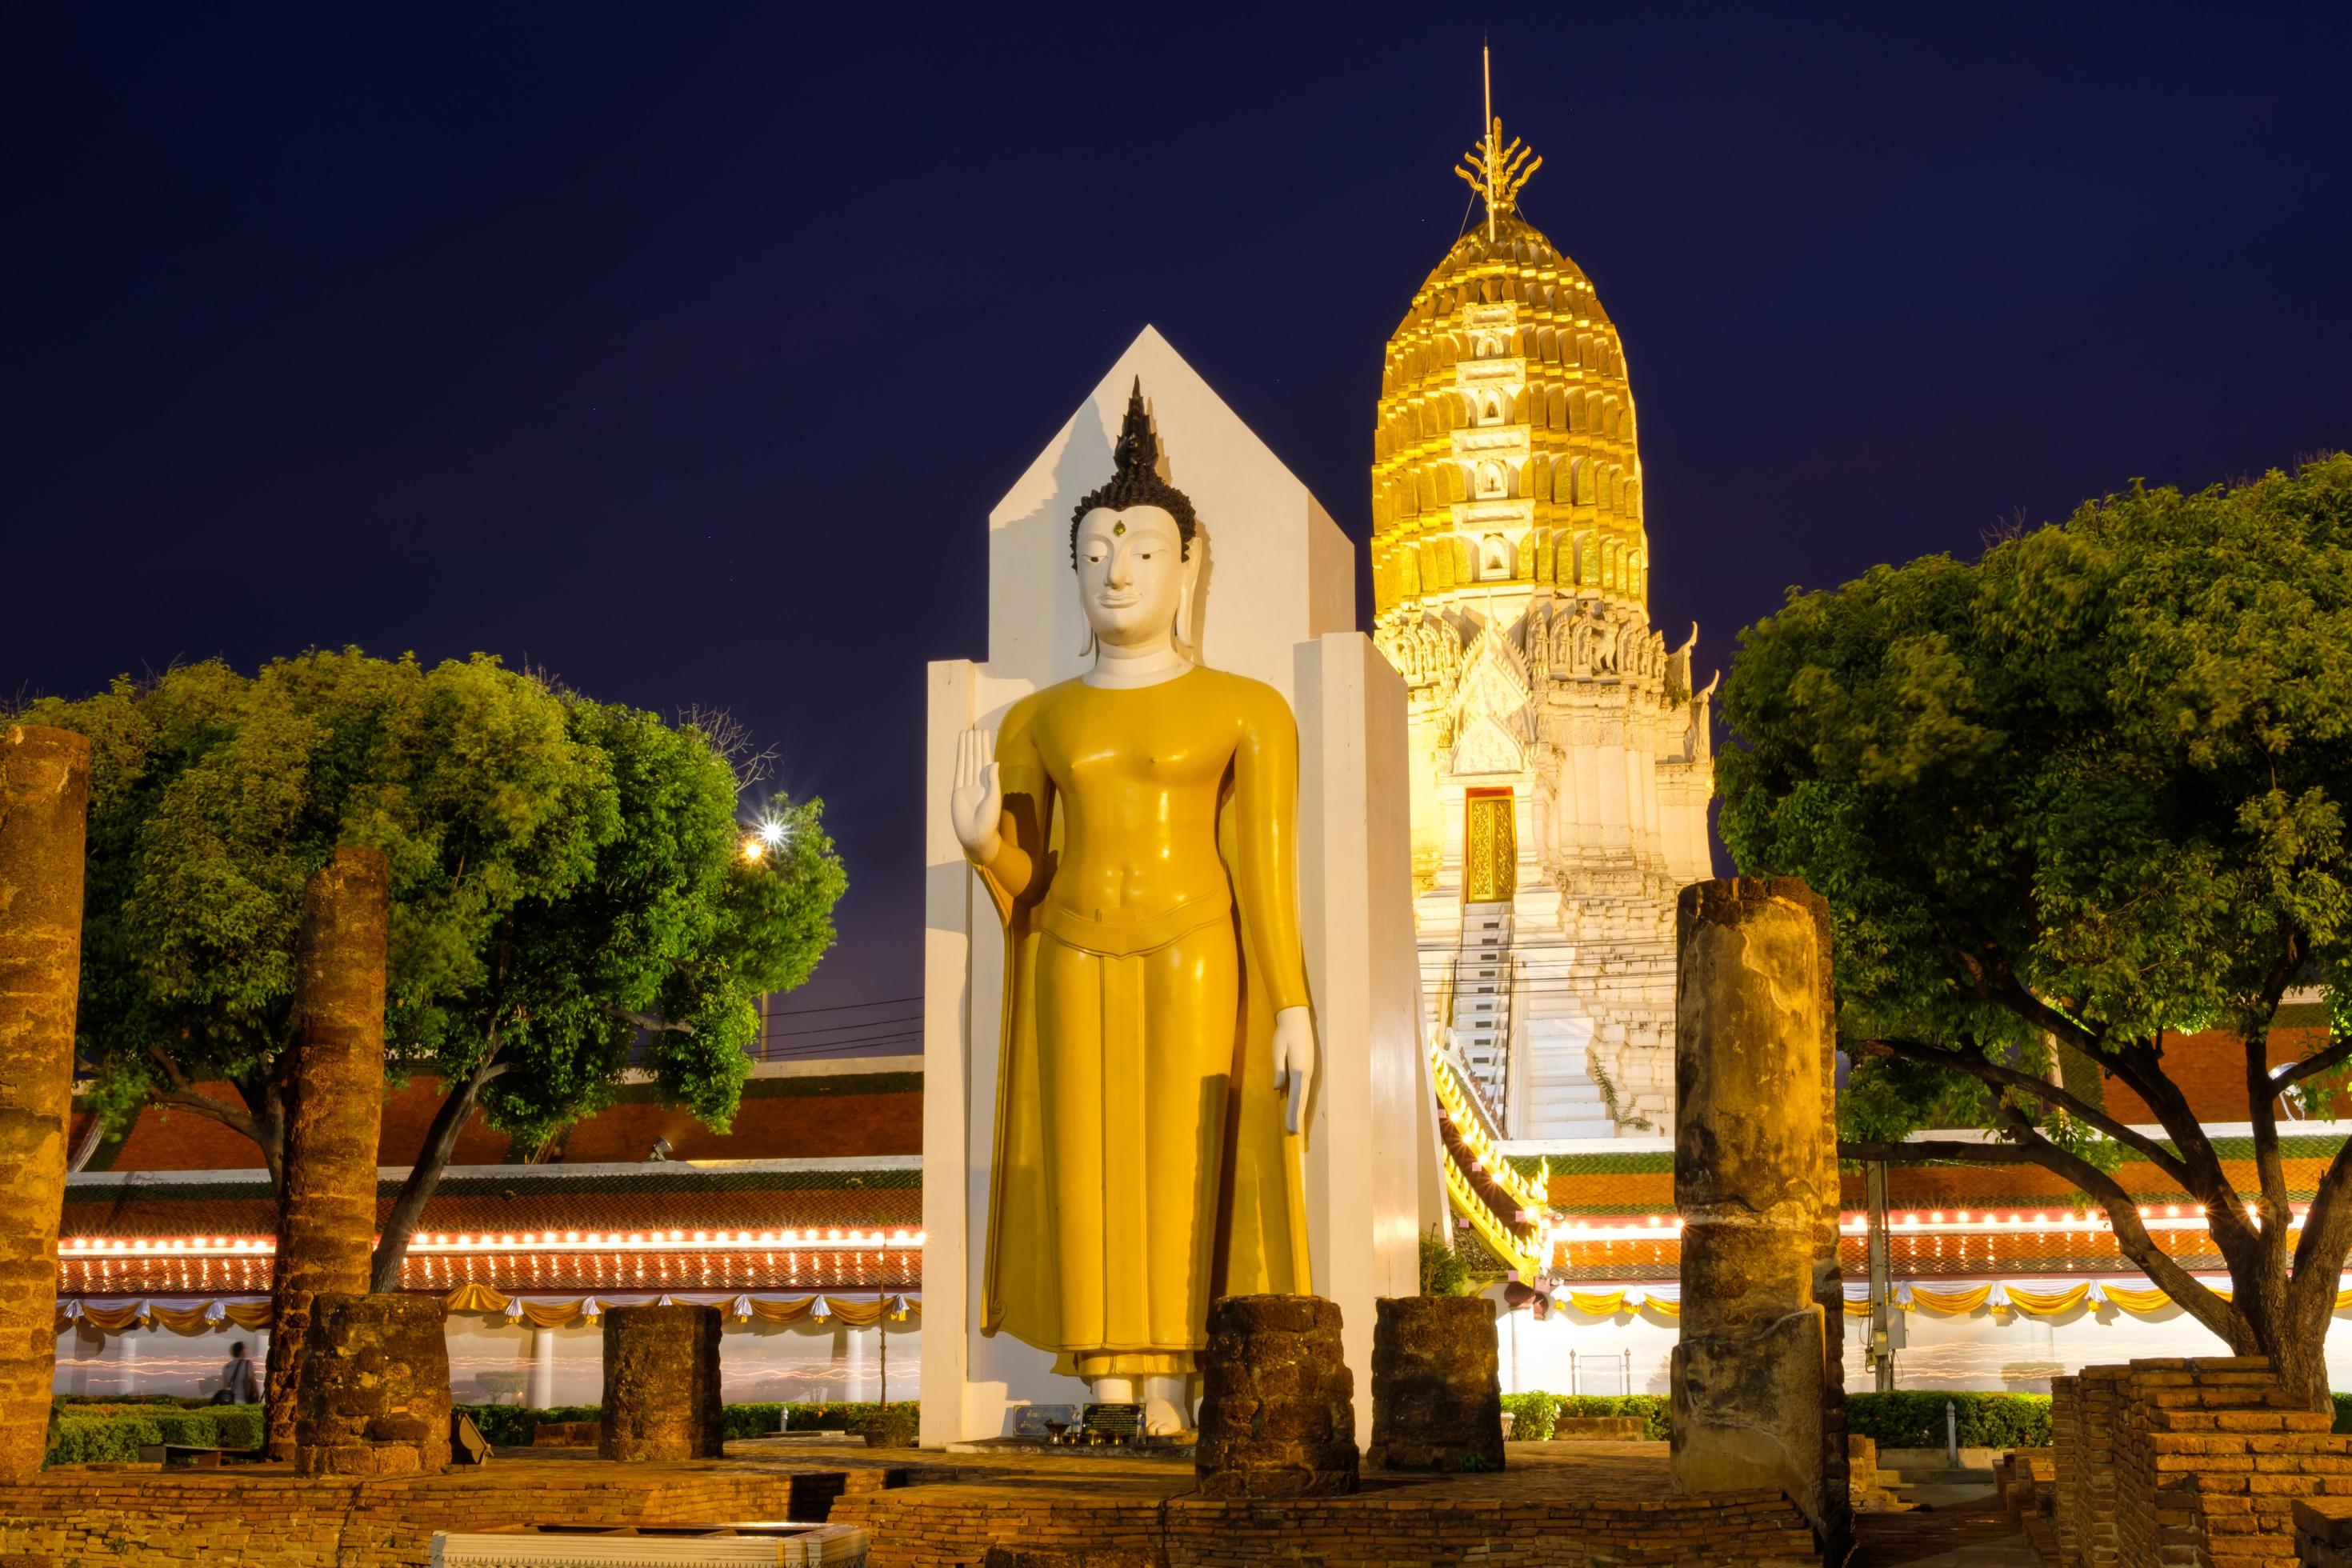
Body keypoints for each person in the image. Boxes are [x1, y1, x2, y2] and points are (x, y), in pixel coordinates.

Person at [950, 378, 1319, 1436]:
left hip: (1196, 943)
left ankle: (1172, 1381)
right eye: (1098, 551)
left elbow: (1264, 861)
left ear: (1187, 565)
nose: (1117, 569)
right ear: (1075, 568)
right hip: (1071, 949)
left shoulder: (1248, 708)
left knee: (1178, 1165)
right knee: (1086, 1164)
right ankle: (1106, 1382)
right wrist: (986, 847)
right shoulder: (1041, 716)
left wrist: (1290, 1003)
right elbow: (1026, 876)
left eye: (1144, 549)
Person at [216, 1341, 256, 1405]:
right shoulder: (247, 1364)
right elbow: (252, 1380)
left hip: (229, 1400)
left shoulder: (227, 1366)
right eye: (244, 1350)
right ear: (241, 1351)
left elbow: (223, 1386)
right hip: (242, 1399)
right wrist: (256, 1394)